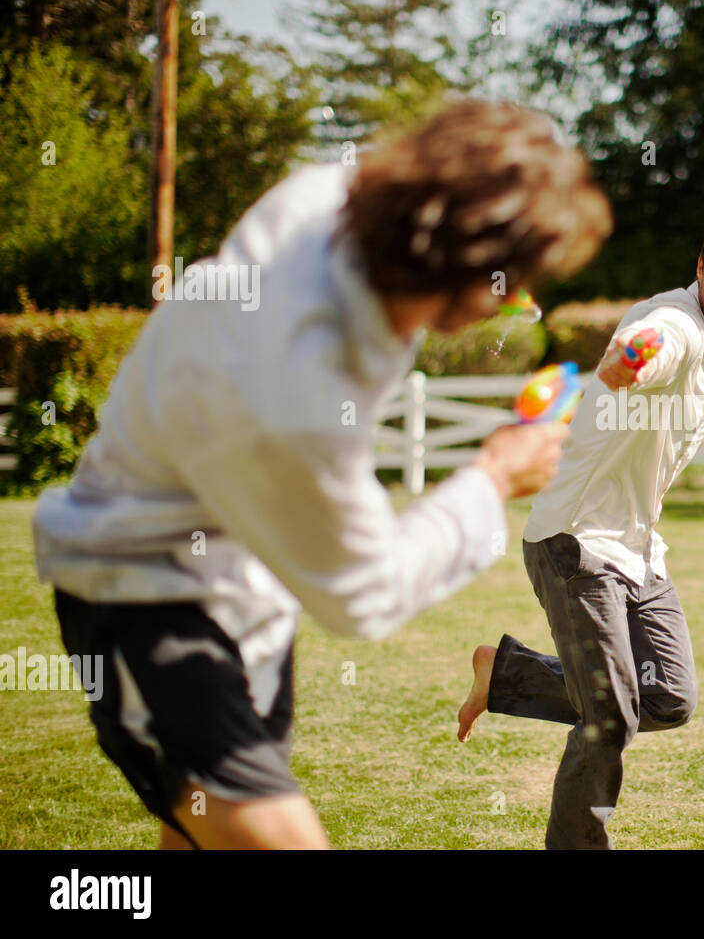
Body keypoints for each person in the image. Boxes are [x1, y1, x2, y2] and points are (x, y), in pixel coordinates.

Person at [30, 100, 611, 849]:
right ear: (460, 264)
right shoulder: (290, 392)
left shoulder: (327, 204)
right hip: (143, 597)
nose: (514, 300)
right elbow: (362, 593)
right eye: (507, 280)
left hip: (241, 586)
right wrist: (494, 475)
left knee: (202, 836)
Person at [457, 206, 704, 849]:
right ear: (699, 268)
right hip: (573, 539)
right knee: (608, 716)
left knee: (669, 698)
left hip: (636, 545)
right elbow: (657, 340)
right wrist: (632, 358)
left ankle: (507, 676)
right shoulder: (677, 323)